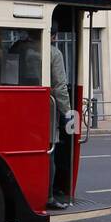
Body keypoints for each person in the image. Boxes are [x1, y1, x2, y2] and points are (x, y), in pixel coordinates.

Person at [49, 33, 74, 210]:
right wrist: (67, 112)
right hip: (45, 112)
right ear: (54, 35)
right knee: (49, 152)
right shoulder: (54, 53)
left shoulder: (17, 47)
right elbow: (60, 86)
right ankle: (49, 195)